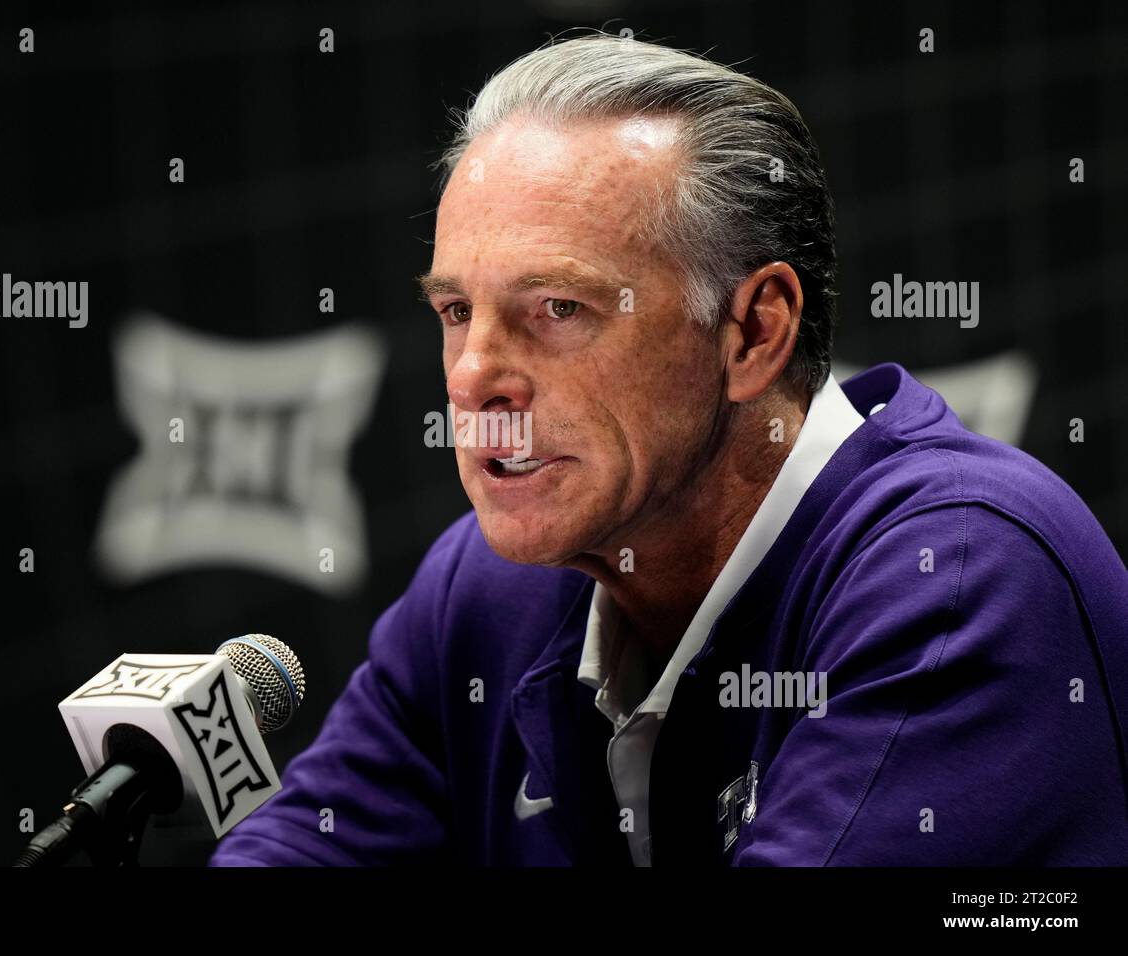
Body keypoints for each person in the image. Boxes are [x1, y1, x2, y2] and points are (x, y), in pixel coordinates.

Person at [211, 34, 1128, 866]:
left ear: (752, 333)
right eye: (456, 313)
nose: (472, 376)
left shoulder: (960, 574)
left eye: (557, 310)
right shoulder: (487, 593)